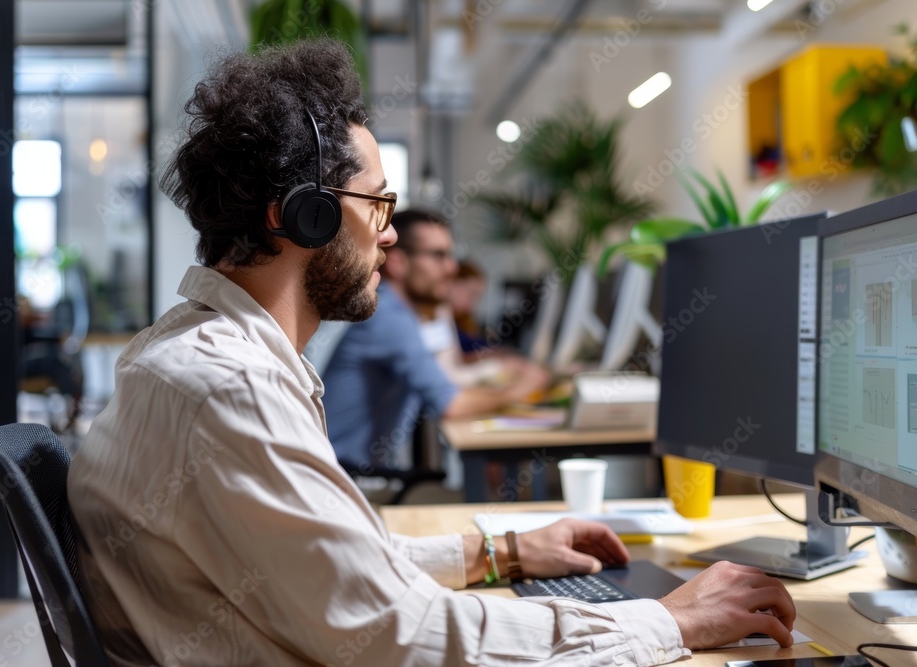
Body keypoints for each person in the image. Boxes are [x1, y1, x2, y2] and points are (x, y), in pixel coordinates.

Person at [67, 39, 796, 667]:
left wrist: (499, 553)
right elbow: (405, 638)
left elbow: (326, 574)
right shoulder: (228, 387)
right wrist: (668, 621)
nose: (390, 234)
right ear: (302, 215)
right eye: (377, 204)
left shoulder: (182, 354)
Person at [322, 209, 550, 470]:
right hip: (344, 476)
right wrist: (520, 389)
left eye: (450, 255)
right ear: (398, 263)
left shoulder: (400, 311)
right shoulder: (389, 317)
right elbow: (451, 405)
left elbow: (447, 384)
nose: (452, 267)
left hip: (354, 472)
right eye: (438, 256)